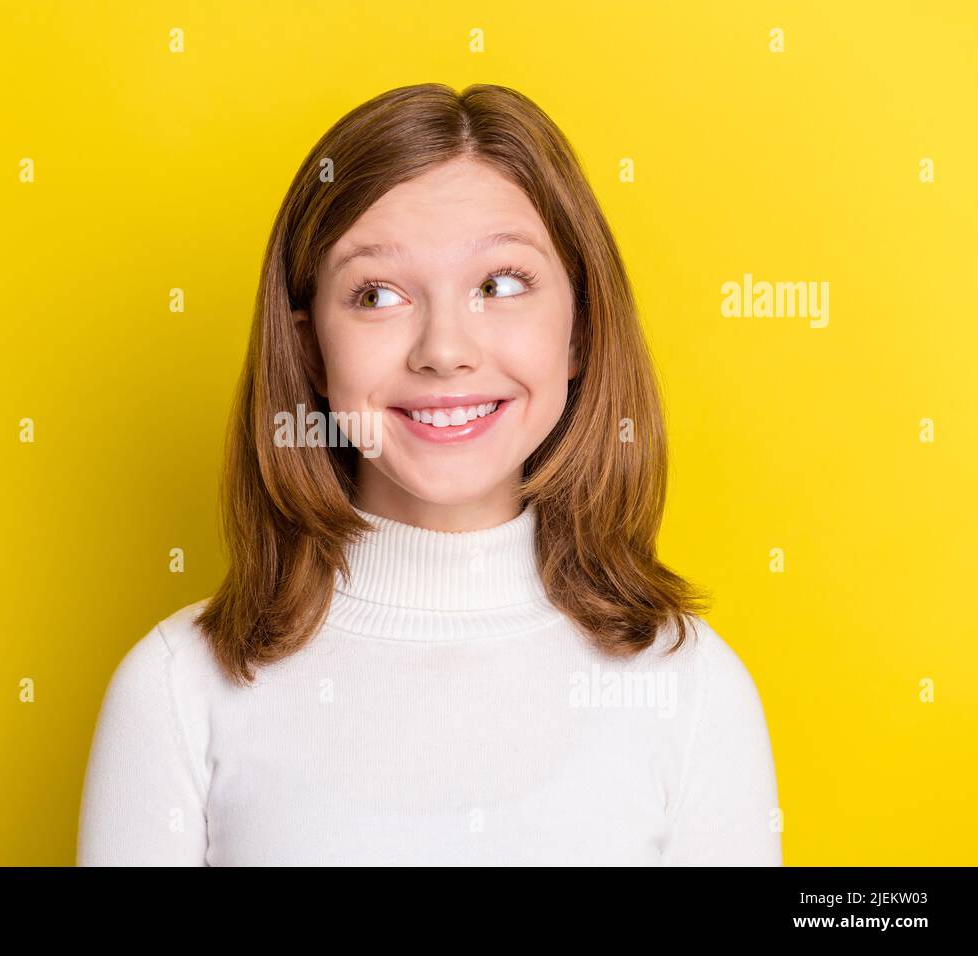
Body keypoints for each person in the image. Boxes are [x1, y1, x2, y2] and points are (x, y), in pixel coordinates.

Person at [77, 82, 782, 866]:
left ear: (578, 331)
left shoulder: (692, 690)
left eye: (501, 285)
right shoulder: (178, 692)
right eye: (378, 295)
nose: (444, 349)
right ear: (311, 351)